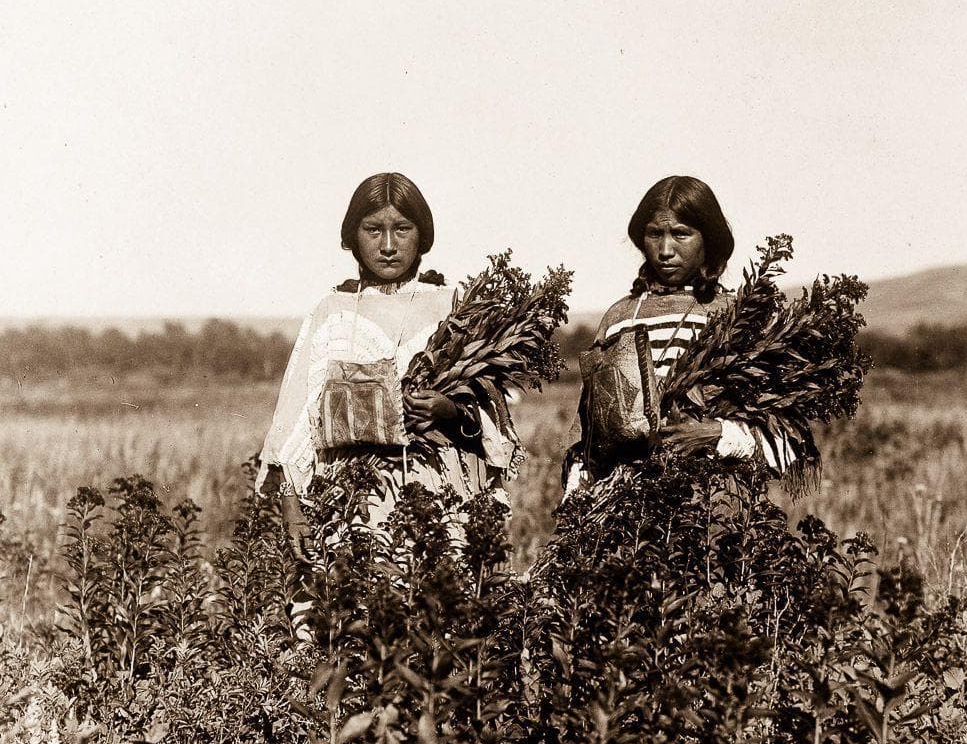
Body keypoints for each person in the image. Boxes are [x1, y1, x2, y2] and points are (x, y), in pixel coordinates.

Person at [257, 173, 520, 561]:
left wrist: (449, 412)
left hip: (437, 490)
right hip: (349, 499)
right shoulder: (332, 312)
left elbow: (493, 415)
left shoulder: (455, 306)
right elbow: (296, 419)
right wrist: (293, 508)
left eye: (402, 229)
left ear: (422, 235)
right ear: (352, 236)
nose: (388, 246)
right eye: (373, 229)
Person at [563, 175, 791, 497]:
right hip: (627, 511)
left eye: (681, 234)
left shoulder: (738, 318)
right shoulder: (619, 317)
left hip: (716, 504)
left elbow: (784, 445)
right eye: (655, 234)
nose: (665, 250)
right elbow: (587, 440)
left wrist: (715, 434)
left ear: (709, 240)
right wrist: (577, 506)